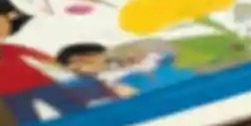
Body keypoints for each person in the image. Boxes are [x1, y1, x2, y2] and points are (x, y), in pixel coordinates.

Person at [58, 39, 195, 97]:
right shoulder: (109, 82)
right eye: (75, 68)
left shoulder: (146, 55)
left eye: (82, 61)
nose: (80, 68)